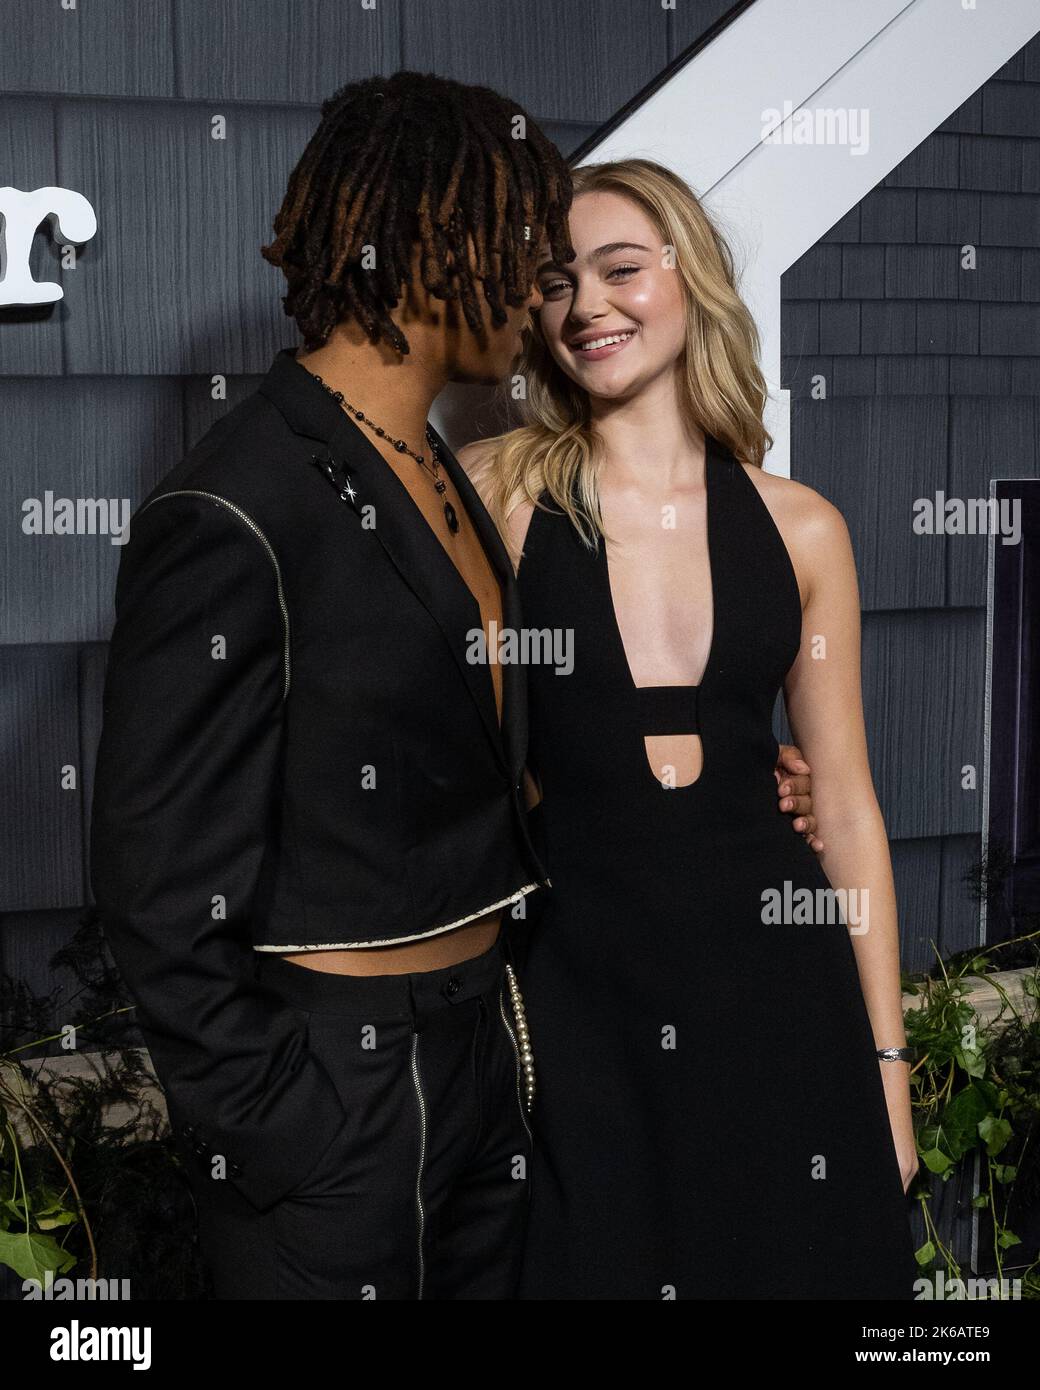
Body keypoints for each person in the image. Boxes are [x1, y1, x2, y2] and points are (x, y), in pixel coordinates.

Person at [90, 73, 812, 1301]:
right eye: (526, 247)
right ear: (432, 247)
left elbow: (487, 754)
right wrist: (289, 1130)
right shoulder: (236, 505)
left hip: (497, 1052)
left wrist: (738, 779)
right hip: (337, 1099)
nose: (545, 284)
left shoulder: (445, 474)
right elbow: (155, 885)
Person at [461, 158, 919, 1300]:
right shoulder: (493, 501)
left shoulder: (802, 527)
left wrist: (886, 1076)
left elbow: (849, 810)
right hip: (583, 1012)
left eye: (620, 270)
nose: (587, 307)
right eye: (556, 284)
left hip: (783, 1008)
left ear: (692, 280)